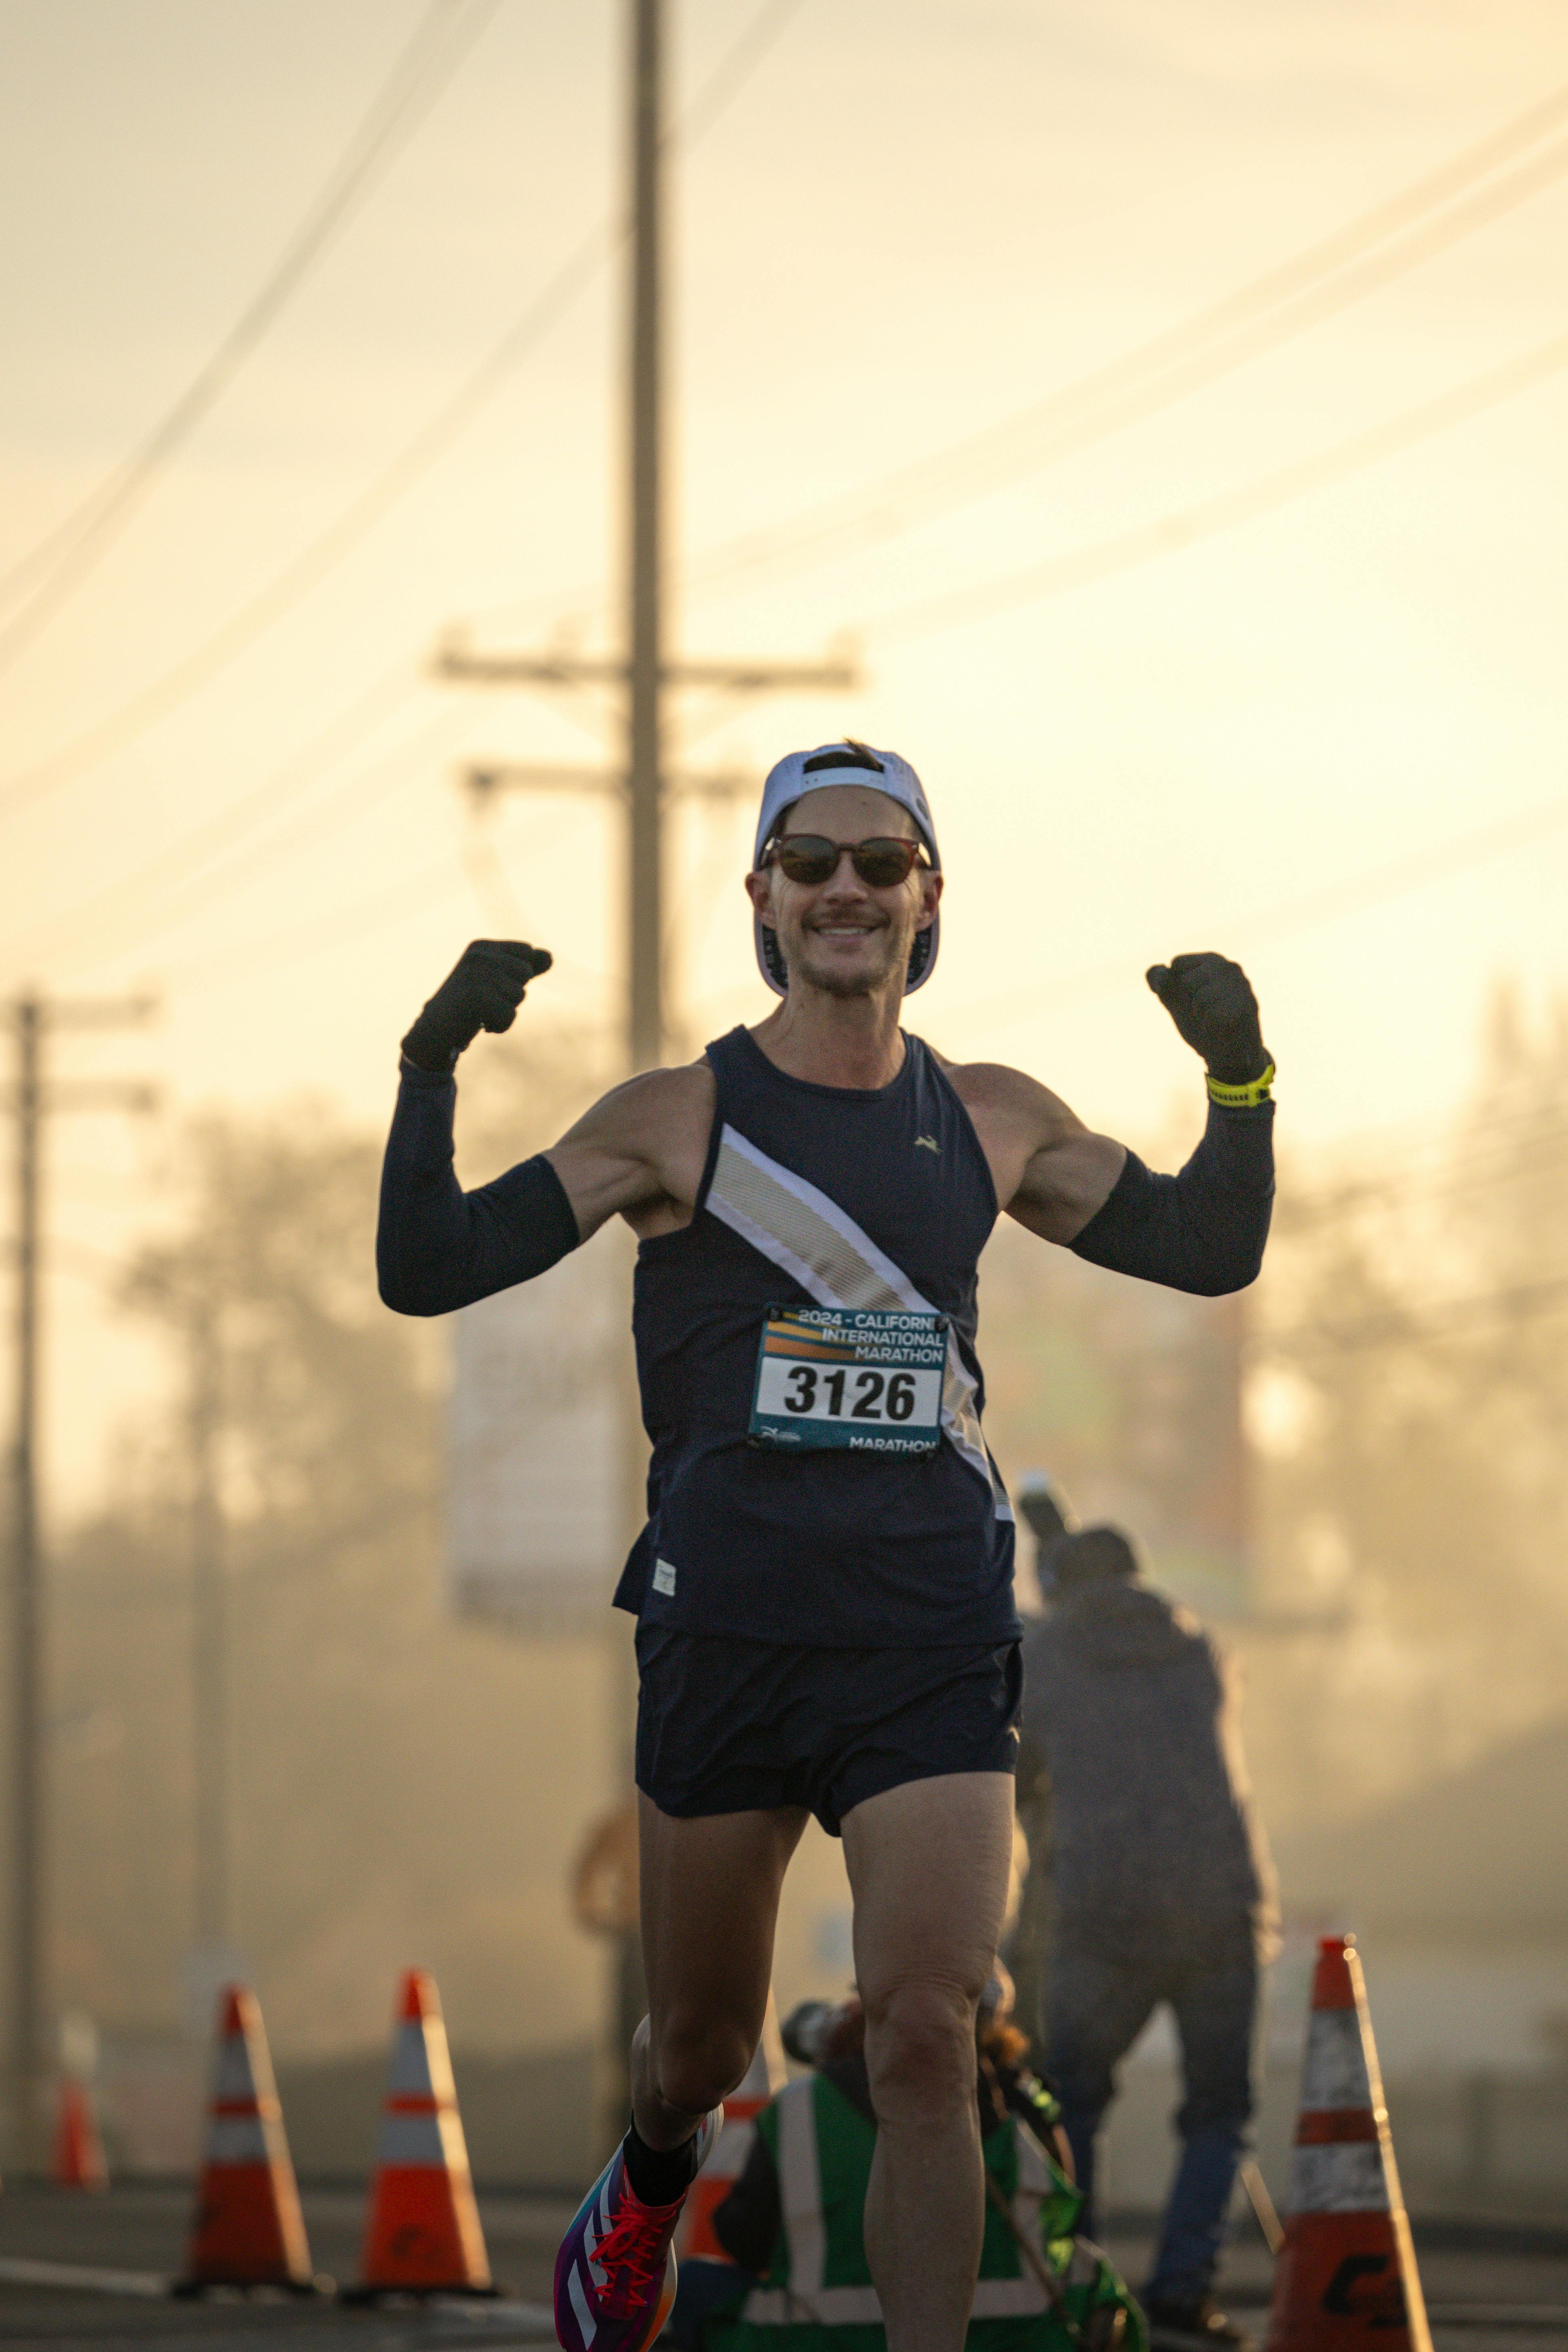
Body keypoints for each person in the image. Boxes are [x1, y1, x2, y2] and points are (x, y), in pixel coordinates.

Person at [376, 740, 1276, 2352]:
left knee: (930, 2030)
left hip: (929, 1630)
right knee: (697, 2051)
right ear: (764, 896)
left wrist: (1241, 1084)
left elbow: (1209, 1249)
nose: (845, 887)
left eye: (880, 861)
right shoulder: (677, 1118)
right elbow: (427, 1265)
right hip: (728, 1630)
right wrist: (428, 1064)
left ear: (928, 898)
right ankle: (651, 2181)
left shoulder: (992, 1118)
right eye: (811, 860)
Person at [1015, 1527, 1278, 2352]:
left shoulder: (1045, 1655)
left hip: (1100, 1915)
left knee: (1071, 2102)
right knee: (1218, 2112)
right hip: (1219, 1909)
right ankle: (1183, 2293)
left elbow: (1015, 1770)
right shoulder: (1203, 1649)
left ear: (1055, 1586)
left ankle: (1077, 2292)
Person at [671, 1968, 1143, 2352]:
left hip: (825, 2339)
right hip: (1019, 2338)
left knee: (692, 2282)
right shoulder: (1024, 2104)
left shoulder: (803, 2107)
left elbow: (745, 2239)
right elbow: (1061, 2221)